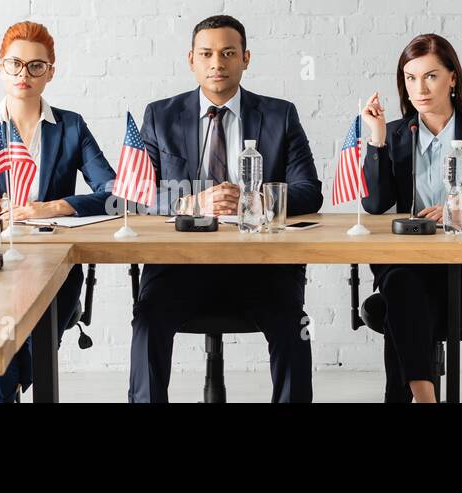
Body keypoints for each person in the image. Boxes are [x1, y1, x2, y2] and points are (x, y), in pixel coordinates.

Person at [132, 15, 323, 403]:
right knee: (147, 324)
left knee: (295, 326)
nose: (217, 62)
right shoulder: (160, 115)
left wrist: (256, 200)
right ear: (191, 60)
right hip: (179, 265)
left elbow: (310, 192)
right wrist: (193, 201)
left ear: (245, 58)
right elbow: (136, 194)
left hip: (261, 265)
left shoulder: (280, 115)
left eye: (228, 53)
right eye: (206, 54)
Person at [0, 21, 116, 403]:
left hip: (54, 265)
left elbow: (115, 193)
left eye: (36, 66)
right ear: (1, 68)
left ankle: (7, 387)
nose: (24, 74)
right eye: (14, 64)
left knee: (20, 346)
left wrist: (55, 206)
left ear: (51, 72)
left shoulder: (70, 126)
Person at [360, 33, 462, 403]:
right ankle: (426, 397)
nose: (419, 88)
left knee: (401, 304)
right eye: (410, 78)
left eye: (431, 76)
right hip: (410, 261)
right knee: (404, 284)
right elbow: (374, 204)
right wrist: (376, 140)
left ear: (452, 78)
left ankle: (413, 398)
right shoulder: (399, 134)